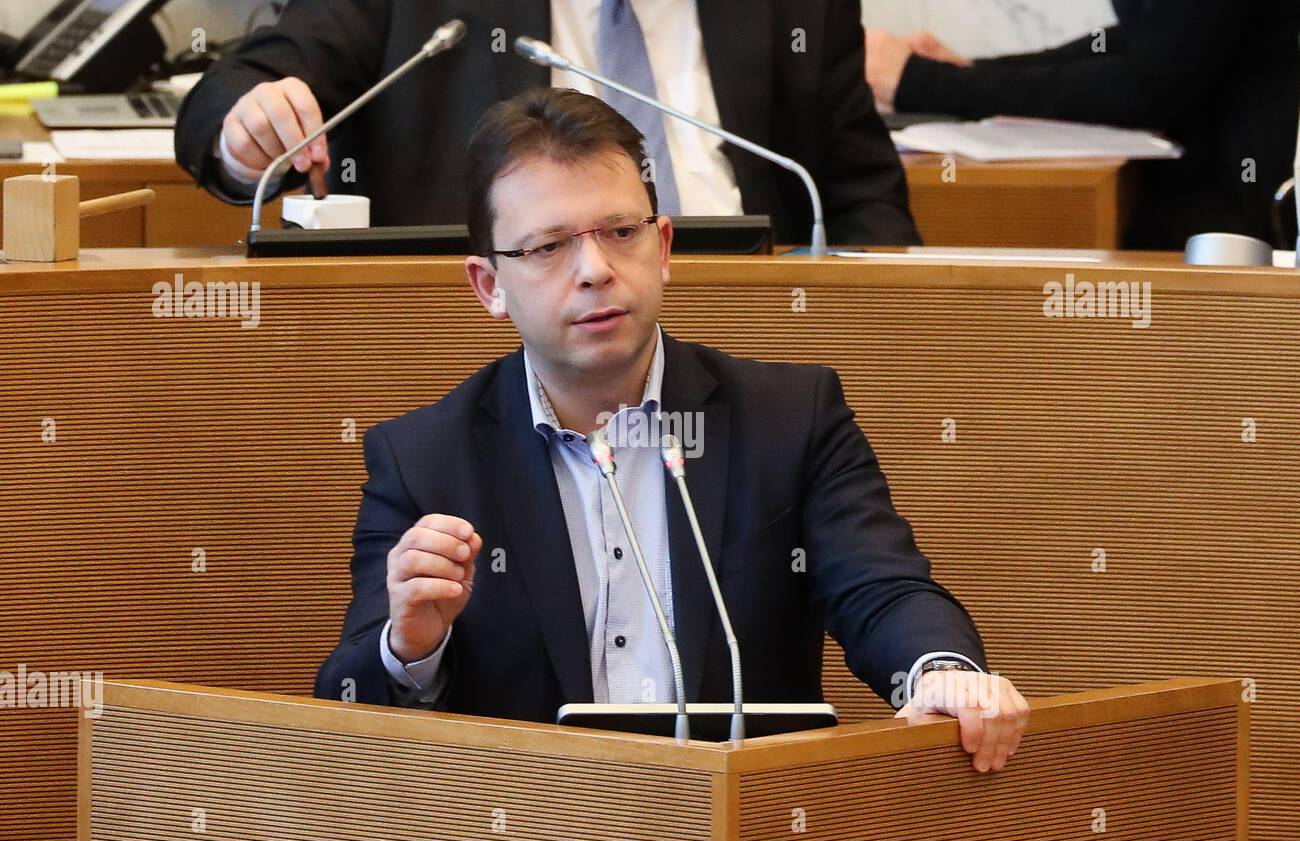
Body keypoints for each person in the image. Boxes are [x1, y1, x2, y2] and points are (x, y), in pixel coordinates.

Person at [314, 87, 1029, 771]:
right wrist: (408, 647)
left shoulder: (789, 417)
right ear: (488, 285)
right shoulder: (424, 462)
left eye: (620, 233)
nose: (595, 270)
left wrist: (941, 674)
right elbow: (348, 721)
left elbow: (885, 592)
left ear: (662, 246)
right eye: (548, 247)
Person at [174, 0, 921, 247]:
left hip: (751, 352)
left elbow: (861, 194)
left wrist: (874, 336)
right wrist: (249, 133)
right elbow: (234, 89)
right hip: (480, 354)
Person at [866, 0, 1300, 249]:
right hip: (1197, 200)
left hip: (1231, 228)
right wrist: (968, 70)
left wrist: (926, 82)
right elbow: (1141, 41)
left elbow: (1149, 83)